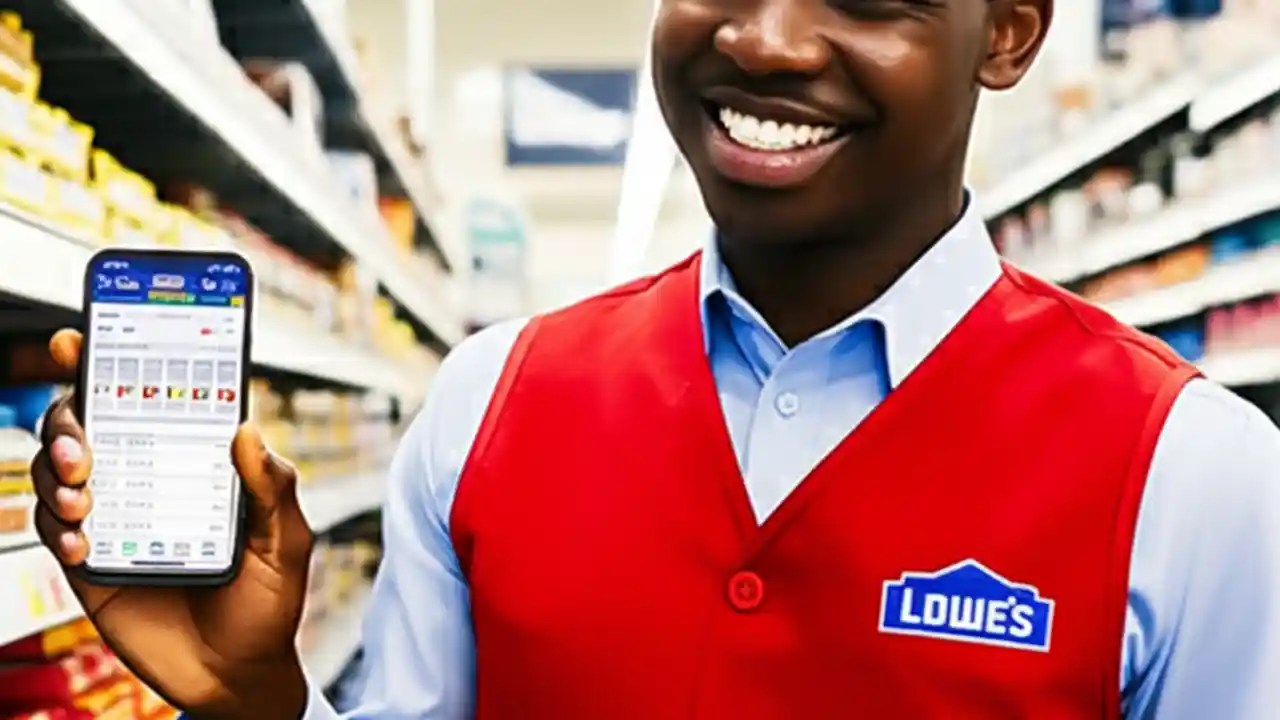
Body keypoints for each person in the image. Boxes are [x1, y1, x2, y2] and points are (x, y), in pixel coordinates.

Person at [31, 0, 1280, 717]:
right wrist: (264, 703)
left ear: (1005, 31)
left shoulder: (1192, 476)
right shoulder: (486, 405)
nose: (769, 39)